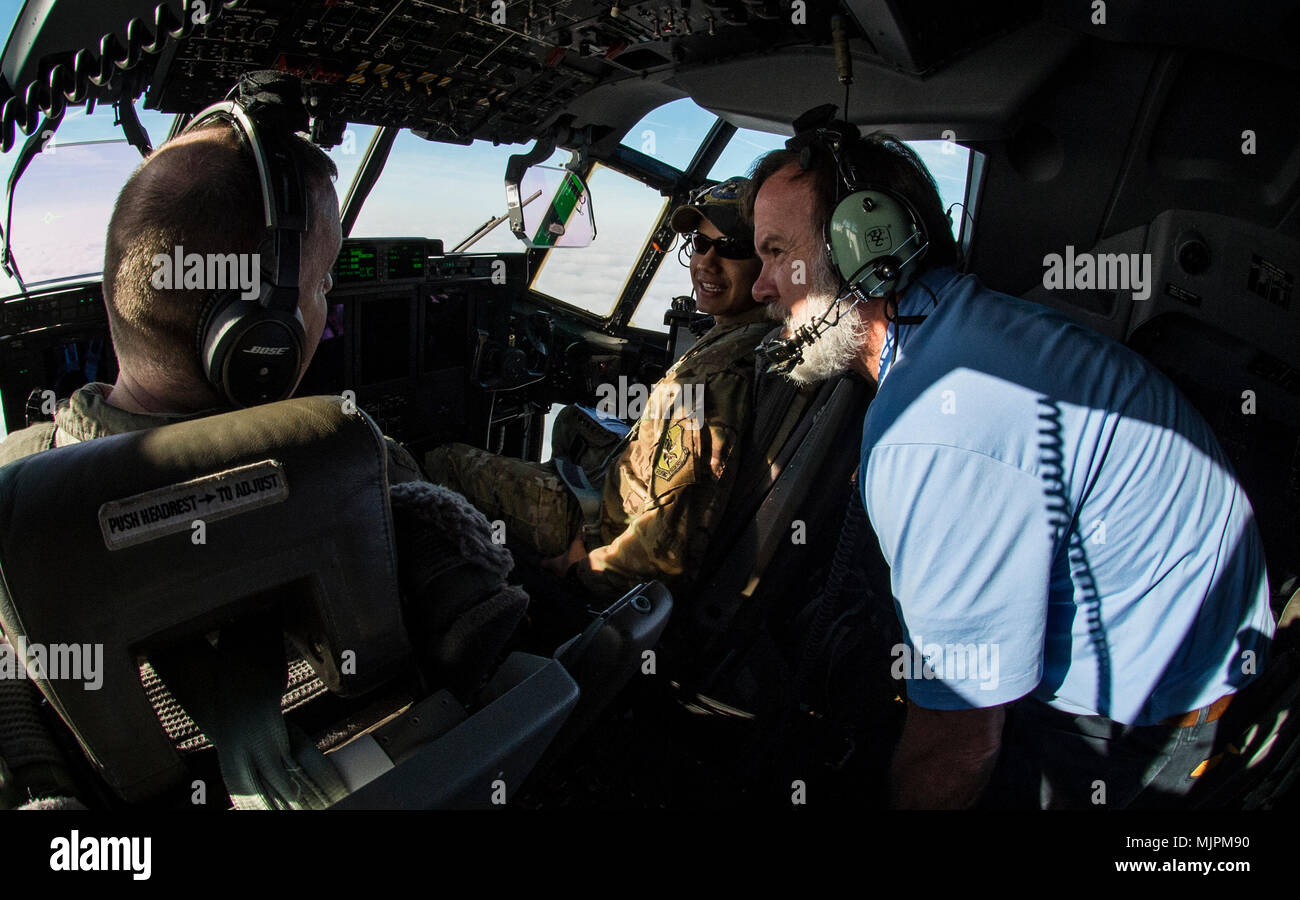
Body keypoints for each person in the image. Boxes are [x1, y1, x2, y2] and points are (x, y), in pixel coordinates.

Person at [0, 107, 524, 808]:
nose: (330, 302)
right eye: (324, 281)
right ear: (259, 339)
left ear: (110, 295)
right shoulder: (364, 461)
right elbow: (484, 616)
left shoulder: (15, 515)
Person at [744, 122, 1276, 809]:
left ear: (862, 248)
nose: (760, 286)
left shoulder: (931, 429)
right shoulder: (973, 328)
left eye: (776, 252)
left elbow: (961, 744)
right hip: (1198, 629)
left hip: (1148, 710)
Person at [427, 177, 773, 601]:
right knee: (574, 421)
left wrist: (581, 571)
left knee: (442, 461)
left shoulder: (713, 383)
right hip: (613, 493)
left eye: (732, 248)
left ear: (767, 258)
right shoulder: (746, 335)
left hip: (602, 533)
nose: (707, 263)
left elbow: (663, 551)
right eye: (700, 244)